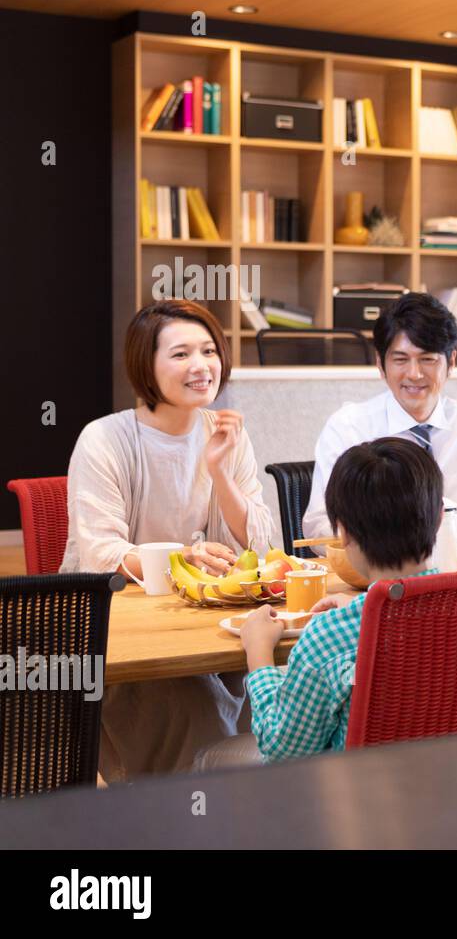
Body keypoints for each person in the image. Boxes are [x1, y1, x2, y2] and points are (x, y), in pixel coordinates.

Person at [61, 299, 278, 778]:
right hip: (125, 632)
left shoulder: (226, 434)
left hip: (209, 623)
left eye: (208, 351)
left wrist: (220, 471)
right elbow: (102, 558)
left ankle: (241, 816)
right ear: (147, 365)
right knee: (191, 706)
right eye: (180, 355)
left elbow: (259, 548)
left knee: (278, 680)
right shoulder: (104, 439)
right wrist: (184, 557)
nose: (201, 366)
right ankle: (175, 819)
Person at [196, 437, 442, 767]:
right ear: (440, 517)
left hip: (343, 801)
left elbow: (282, 749)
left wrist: (258, 653)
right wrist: (363, 609)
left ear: (343, 533)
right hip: (448, 787)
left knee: (208, 757)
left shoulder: (331, 636)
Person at [300, 293, 457, 546]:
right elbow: (318, 524)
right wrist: (378, 545)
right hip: (372, 574)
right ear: (380, 362)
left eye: (427, 359)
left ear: (451, 361)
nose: (414, 373)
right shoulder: (350, 427)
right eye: (400, 359)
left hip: (446, 574)